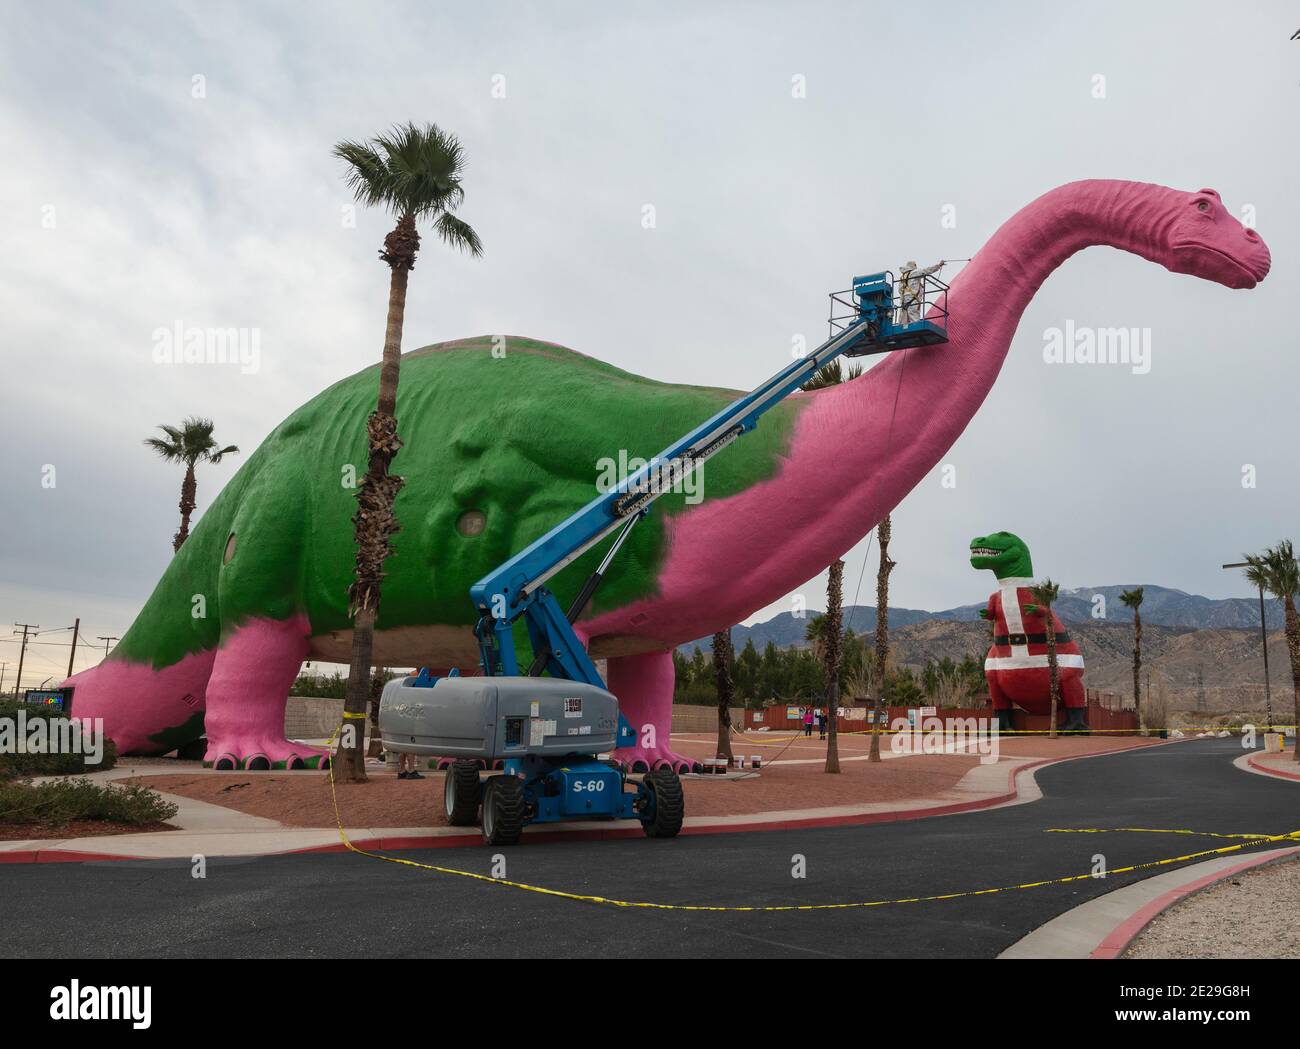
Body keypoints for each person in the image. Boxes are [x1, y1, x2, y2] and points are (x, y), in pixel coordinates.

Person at [898, 259, 945, 325]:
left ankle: (902, 328)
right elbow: (926, 270)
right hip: (912, 298)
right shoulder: (914, 272)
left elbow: (900, 289)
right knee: (914, 316)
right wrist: (939, 265)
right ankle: (915, 329)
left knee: (903, 317)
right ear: (913, 266)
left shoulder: (902, 277)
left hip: (904, 299)